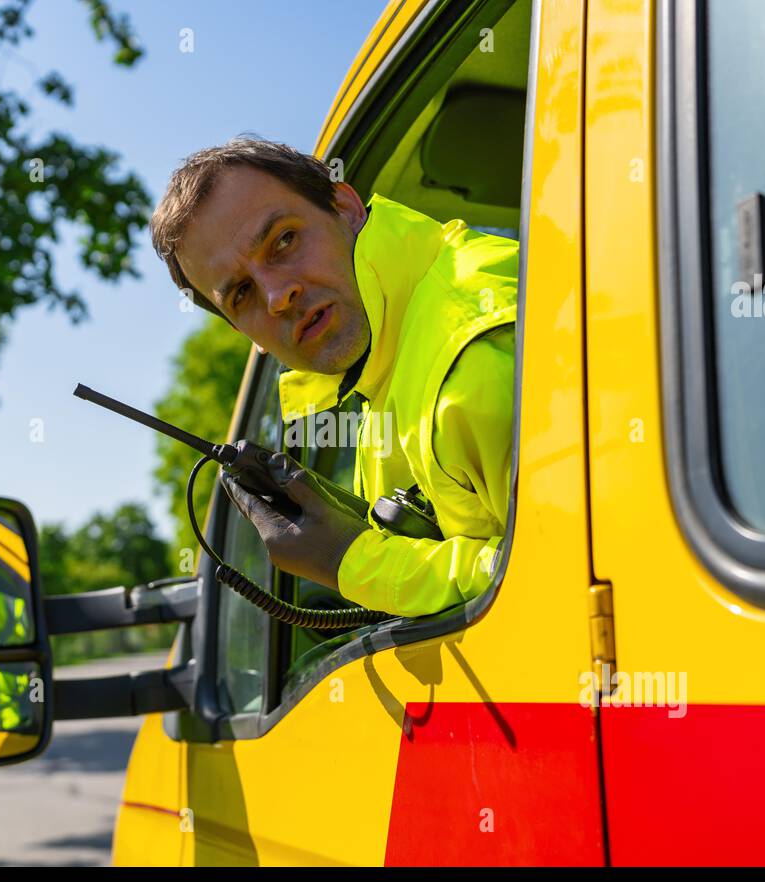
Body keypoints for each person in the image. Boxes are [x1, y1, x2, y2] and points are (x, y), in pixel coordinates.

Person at [150, 136, 517, 618]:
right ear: (245, 335)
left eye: (283, 240)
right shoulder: (382, 369)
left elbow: (570, 575)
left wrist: (350, 559)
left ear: (345, 207)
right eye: (241, 293)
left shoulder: (474, 358)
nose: (278, 296)